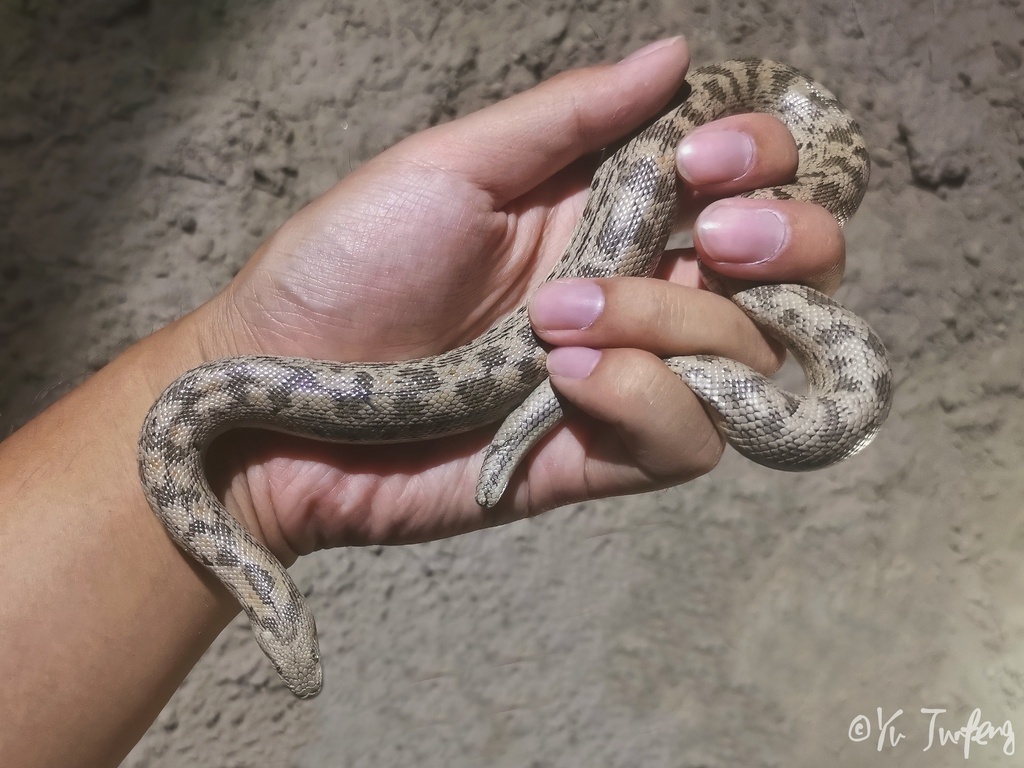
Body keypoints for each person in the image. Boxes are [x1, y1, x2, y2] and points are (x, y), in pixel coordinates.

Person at [0, 37, 849, 767]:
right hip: (337, 405)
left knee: (739, 255)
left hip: (295, 410)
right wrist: (253, 501)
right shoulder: (205, 411)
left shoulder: (207, 405)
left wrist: (255, 490)